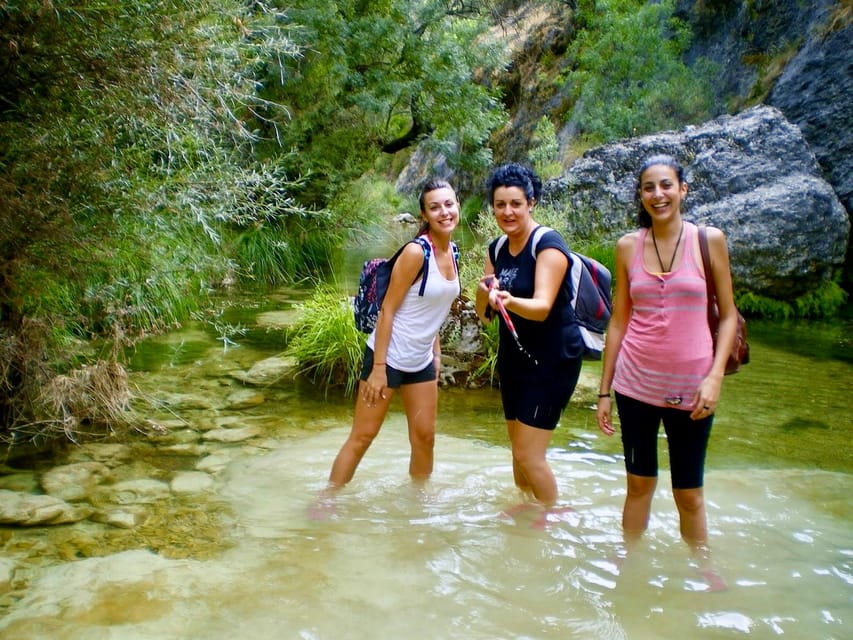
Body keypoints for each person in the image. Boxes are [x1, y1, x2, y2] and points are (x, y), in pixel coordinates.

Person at [595, 155, 737, 586]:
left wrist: (713, 378)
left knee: (689, 493)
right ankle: (629, 562)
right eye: (648, 188)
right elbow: (618, 321)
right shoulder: (627, 246)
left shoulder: (709, 241)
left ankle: (702, 567)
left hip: (693, 387)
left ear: (683, 189)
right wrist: (604, 391)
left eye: (666, 186)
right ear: (641, 196)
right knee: (639, 485)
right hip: (635, 384)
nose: (658, 195)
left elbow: (729, 316)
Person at [322, 178, 460, 496]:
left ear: (457, 206)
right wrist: (379, 369)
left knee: (425, 437)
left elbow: (432, 309)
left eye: (449, 204)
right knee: (363, 436)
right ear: (424, 215)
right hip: (389, 358)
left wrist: (436, 355)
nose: (444, 212)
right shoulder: (415, 252)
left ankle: (417, 500)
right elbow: (388, 311)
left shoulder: (452, 250)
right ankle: (327, 499)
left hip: (422, 360)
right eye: (435, 207)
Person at [475, 162, 585, 511]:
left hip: (553, 357)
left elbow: (541, 306)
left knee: (529, 453)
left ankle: (553, 516)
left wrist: (507, 298)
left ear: (531, 203)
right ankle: (526, 507)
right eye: (500, 205)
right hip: (515, 357)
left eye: (515, 204)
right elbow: (484, 315)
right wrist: (485, 293)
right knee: (517, 450)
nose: (507, 212)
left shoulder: (548, 244)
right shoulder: (496, 249)